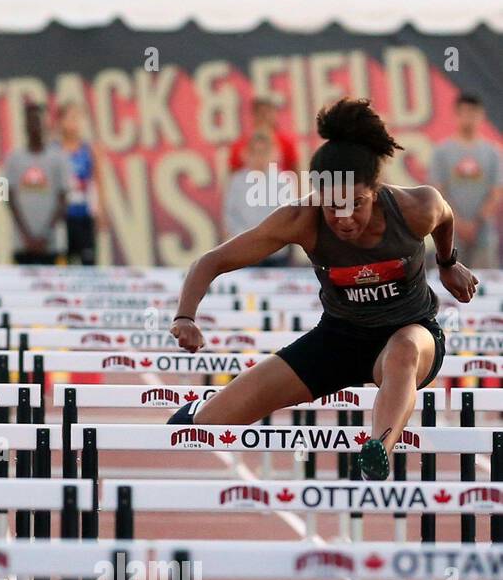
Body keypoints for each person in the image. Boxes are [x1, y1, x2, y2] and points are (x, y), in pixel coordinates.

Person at [168, 98, 476, 481]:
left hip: (411, 330)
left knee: (403, 352)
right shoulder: (301, 219)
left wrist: (447, 264)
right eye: (333, 207)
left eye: (357, 205)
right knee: (200, 427)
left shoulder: (416, 206)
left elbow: (445, 216)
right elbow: (211, 261)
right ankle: (201, 410)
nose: (345, 220)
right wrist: (185, 316)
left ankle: (378, 448)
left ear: (375, 190)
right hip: (337, 340)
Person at [430, 93, 503, 269]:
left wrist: (476, 223)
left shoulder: (492, 152)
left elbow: (497, 192)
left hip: (484, 234)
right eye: (465, 113)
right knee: (451, 286)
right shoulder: (442, 152)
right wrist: (459, 223)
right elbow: (438, 191)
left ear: (482, 115)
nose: (469, 118)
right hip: (450, 234)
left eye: (474, 113)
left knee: (485, 287)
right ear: (456, 115)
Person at [3, 102, 67, 265]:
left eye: (38, 121)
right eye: (30, 121)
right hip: (22, 243)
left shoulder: (58, 158)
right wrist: (27, 236)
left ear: (45, 125)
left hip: (51, 245)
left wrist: (46, 235)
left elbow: (64, 198)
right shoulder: (12, 158)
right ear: (24, 125)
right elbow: (5, 196)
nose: (34, 126)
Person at [222, 130, 290, 265]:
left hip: (275, 252)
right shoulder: (237, 181)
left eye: (264, 152)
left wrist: (267, 240)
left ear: (272, 153)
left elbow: (288, 217)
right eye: (255, 152)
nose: (259, 157)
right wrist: (248, 240)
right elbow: (230, 216)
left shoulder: (283, 180)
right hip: (245, 251)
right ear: (247, 154)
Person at [58, 102, 108, 265]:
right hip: (61, 217)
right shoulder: (54, 151)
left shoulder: (89, 149)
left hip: (84, 215)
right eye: (71, 118)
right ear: (60, 121)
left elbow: (98, 180)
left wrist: (101, 210)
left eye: (78, 118)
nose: (76, 123)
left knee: (88, 262)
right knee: (64, 263)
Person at [229, 95, 299, 176]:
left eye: (268, 112)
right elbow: (233, 175)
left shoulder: (286, 143)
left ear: (275, 114)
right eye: (260, 112)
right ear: (254, 115)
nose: (264, 116)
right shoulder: (240, 146)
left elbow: (295, 173)